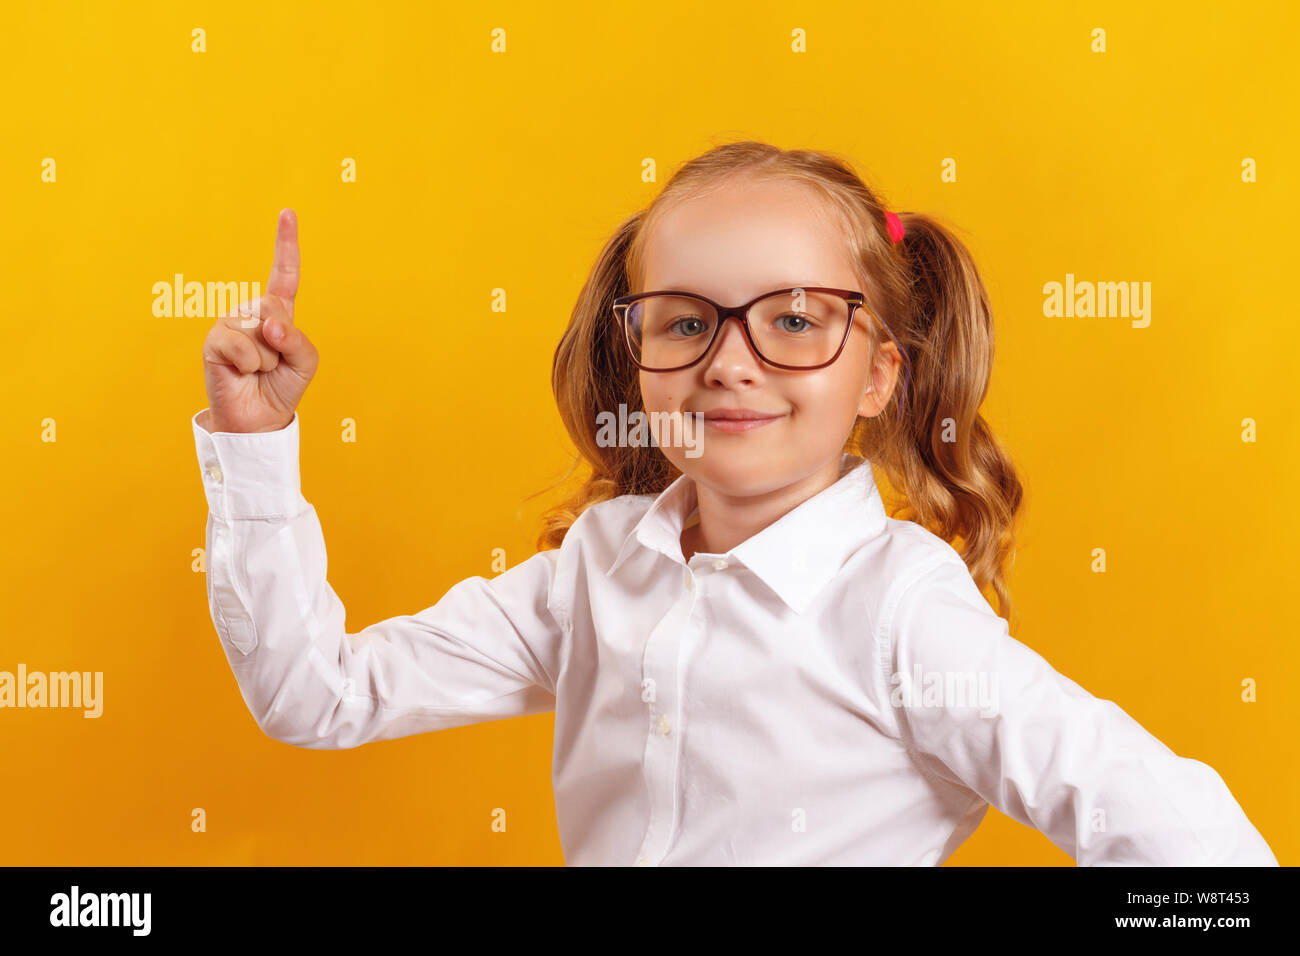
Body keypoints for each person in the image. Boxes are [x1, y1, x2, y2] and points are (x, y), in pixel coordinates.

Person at [193, 141, 1277, 866]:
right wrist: (254, 441)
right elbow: (316, 694)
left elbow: (1169, 825)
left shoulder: (899, 604)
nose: (732, 363)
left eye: (796, 320)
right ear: (637, 361)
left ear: (878, 373)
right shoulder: (597, 569)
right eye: (684, 322)